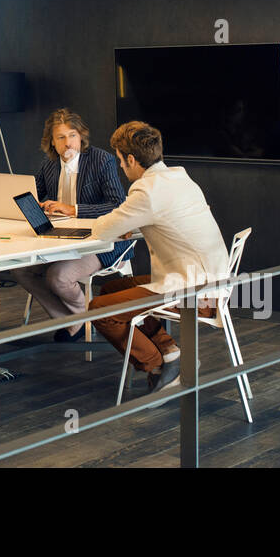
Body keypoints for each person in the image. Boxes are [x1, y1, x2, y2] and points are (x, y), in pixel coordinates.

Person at [89, 121, 231, 393]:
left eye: (120, 160)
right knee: (111, 289)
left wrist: (126, 222)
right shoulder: (179, 177)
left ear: (131, 159)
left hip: (194, 293)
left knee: (100, 310)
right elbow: (167, 218)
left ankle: (159, 366)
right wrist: (134, 222)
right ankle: (169, 351)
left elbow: (102, 230)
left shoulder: (147, 190)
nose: (121, 167)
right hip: (214, 283)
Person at [10, 108, 127, 342]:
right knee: (20, 270)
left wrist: (73, 209)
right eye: (61, 137)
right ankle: (73, 320)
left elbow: (117, 205)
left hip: (102, 242)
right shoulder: (50, 164)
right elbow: (34, 194)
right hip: (63, 240)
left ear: (81, 136)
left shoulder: (101, 160)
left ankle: (82, 319)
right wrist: (35, 206)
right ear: (52, 142)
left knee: (58, 277)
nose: (68, 143)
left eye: (72, 135)